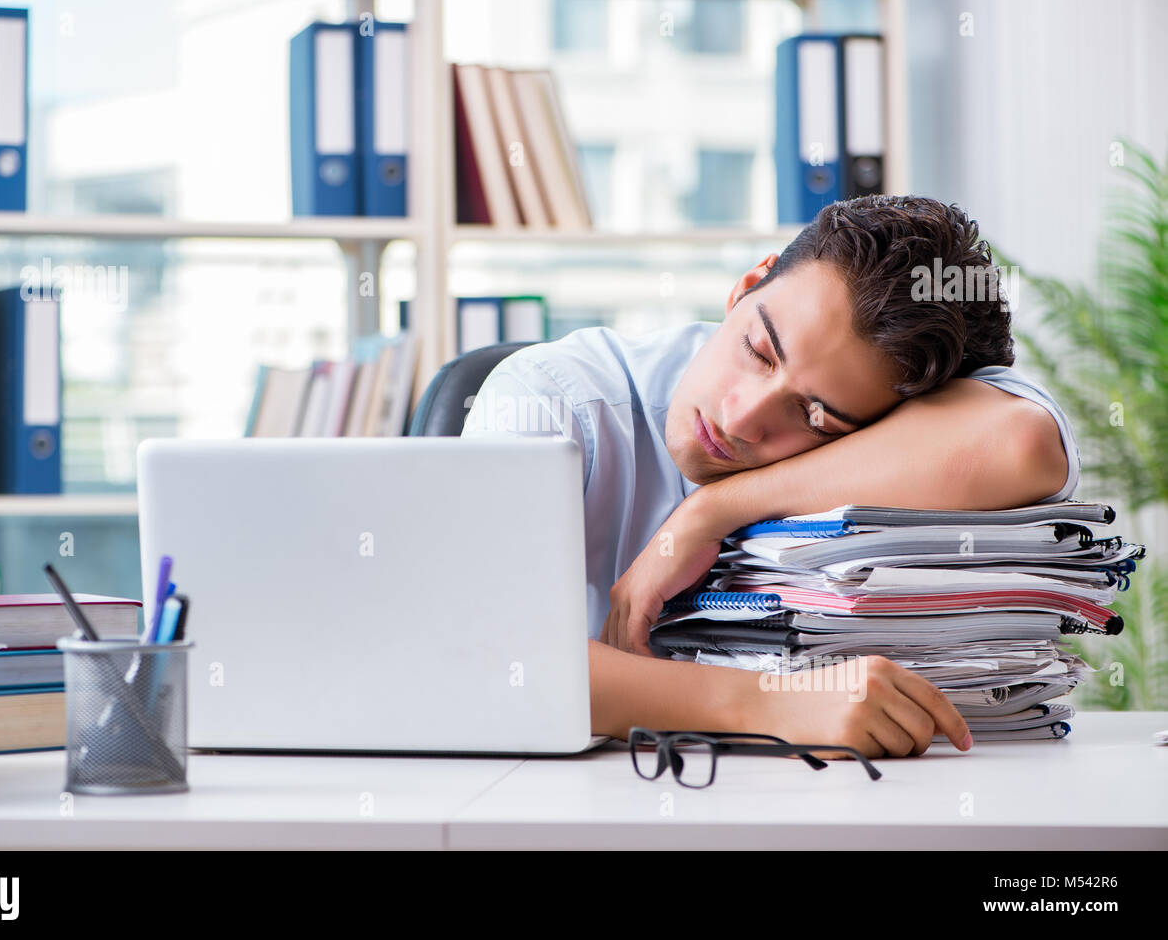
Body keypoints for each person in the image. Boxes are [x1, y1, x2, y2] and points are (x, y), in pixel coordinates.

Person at [461, 195, 1078, 758]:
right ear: (746, 286)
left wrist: (709, 510)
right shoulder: (556, 401)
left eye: (817, 417)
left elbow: (1023, 442)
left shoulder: (902, 435)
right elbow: (483, 654)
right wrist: (771, 705)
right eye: (758, 350)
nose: (741, 417)